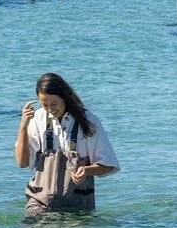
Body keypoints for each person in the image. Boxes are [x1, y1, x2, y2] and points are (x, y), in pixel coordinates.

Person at [15, 72, 120, 215]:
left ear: (64, 97)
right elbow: (22, 163)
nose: (50, 109)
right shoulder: (37, 118)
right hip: (39, 201)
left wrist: (87, 170)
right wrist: (23, 126)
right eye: (45, 105)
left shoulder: (88, 120)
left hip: (78, 204)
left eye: (54, 104)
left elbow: (109, 166)